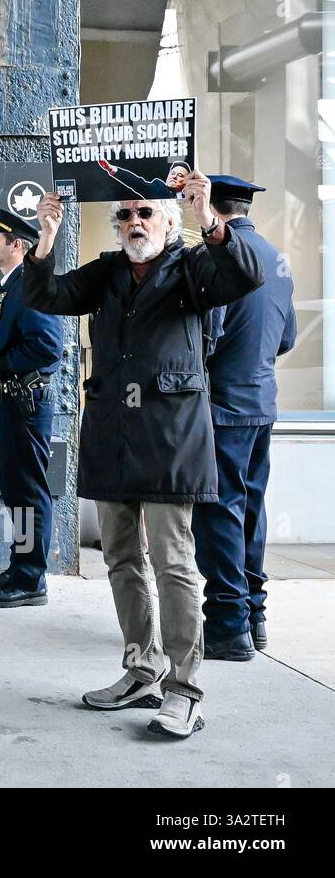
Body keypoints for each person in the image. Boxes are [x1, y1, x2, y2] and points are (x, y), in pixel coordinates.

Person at [23, 171, 262, 739]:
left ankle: (184, 690)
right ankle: (141, 669)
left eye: (145, 214)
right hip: (112, 432)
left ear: (169, 222)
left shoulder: (194, 267)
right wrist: (48, 237)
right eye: (126, 215)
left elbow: (245, 273)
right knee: (122, 558)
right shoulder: (108, 272)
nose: (134, 223)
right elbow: (46, 295)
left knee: (173, 564)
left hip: (171, 437)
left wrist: (209, 216)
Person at [193, 175, 297, 660]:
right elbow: (286, 339)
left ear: (211, 208)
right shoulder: (277, 258)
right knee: (251, 509)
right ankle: (255, 616)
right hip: (262, 403)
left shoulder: (219, 259)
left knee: (218, 514)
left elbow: (205, 340)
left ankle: (228, 625)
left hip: (222, 407)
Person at [0, 209, 64, 607]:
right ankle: (19, 566)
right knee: (15, 492)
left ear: (19, 246)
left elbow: (46, 346)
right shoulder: (8, 287)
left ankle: (31, 580)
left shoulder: (29, 286)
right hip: (10, 402)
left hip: (24, 402)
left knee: (27, 491)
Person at [95, 158, 190, 200]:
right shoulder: (159, 188)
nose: (174, 176)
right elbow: (138, 184)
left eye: (180, 175)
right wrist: (112, 169)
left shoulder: (191, 195)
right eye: (172, 173)